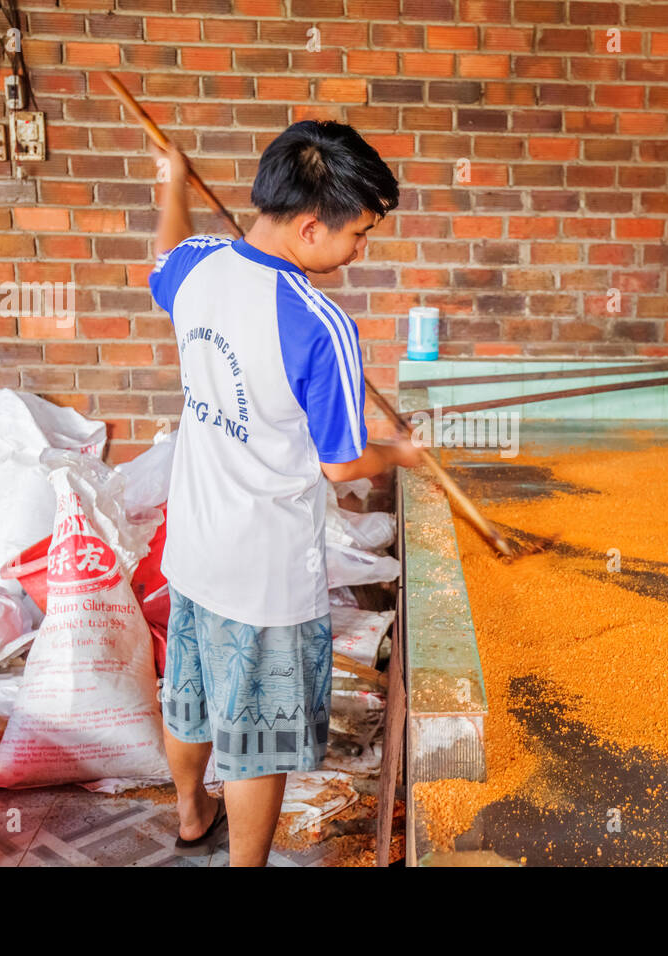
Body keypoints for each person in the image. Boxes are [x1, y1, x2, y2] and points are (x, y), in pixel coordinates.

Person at [147, 120, 420, 866]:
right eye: (359, 235)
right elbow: (341, 463)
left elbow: (165, 253)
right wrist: (408, 452)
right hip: (264, 572)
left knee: (192, 697)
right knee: (258, 738)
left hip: (194, 547)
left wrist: (171, 184)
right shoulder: (318, 322)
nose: (360, 250)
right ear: (308, 226)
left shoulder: (198, 268)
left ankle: (189, 810)